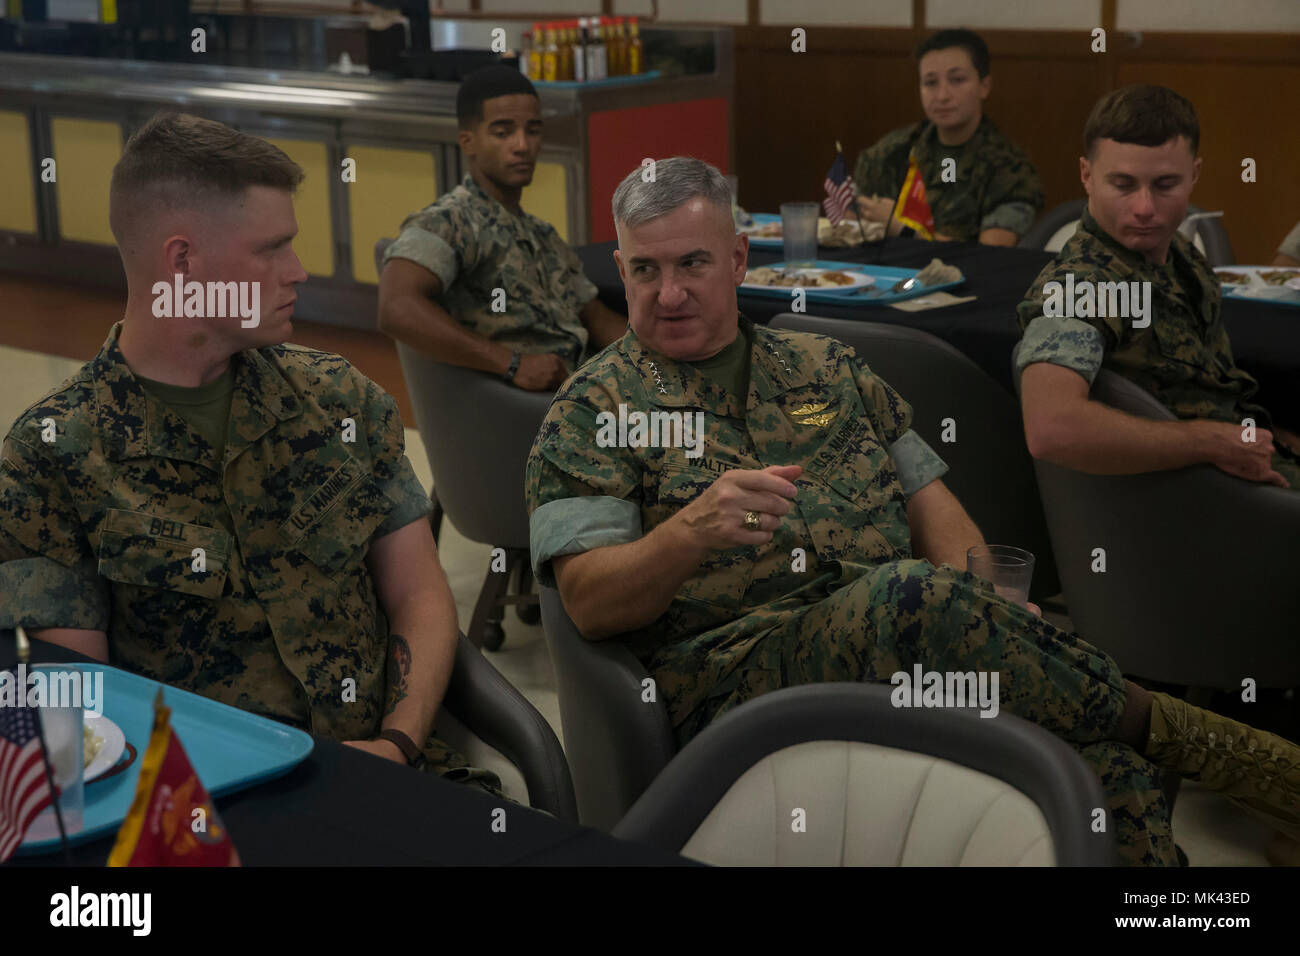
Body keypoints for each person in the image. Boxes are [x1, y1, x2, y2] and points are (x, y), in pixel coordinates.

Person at [525, 156, 1300, 866]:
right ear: (621, 272)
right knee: (907, 595)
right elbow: (588, 603)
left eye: (692, 263)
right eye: (644, 270)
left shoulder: (826, 366)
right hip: (738, 689)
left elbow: (933, 505)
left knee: (1103, 771)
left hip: (910, 648)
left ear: (736, 260)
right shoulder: (595, 410)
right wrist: (685, 535)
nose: (669, 293)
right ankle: (1207, 744)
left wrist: (988, 608)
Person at [0, 112, 502, 795]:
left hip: (396, 781)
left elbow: (419, 591)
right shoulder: (51, 458)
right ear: (184, 262)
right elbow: (80, 717)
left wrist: (397, 743)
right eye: (271, 249)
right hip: (208, 813)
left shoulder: (339, 401)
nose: (299, 271)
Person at [1015, 85, 1300, 489]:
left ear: (1195, 175)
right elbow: (1051, 428)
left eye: (1165, 185)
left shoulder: (1181, 255)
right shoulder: (1084, 283)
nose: (1145, 208)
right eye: (1123, 184)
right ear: (1086, 176)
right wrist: (1209, 442)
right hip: (1206, 499)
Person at [379, 65, 627, 392]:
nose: (522, 145)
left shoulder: (542, 233)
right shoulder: (451, 220)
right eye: (502, 132)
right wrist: (511, 363)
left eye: (533, 130)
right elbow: (395, 307)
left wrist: (655, 360)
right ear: (468, 142)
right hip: (542, 412)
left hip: (594, 385)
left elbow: (595, 318)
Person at [852, 29, 1043, 246]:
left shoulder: (1010, 169)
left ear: (984, 86)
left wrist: (904, 229)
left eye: (957, 80)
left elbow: (989, 257)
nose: (943, 96)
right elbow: (849, 221)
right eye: (931, 83)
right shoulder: (895, 148)